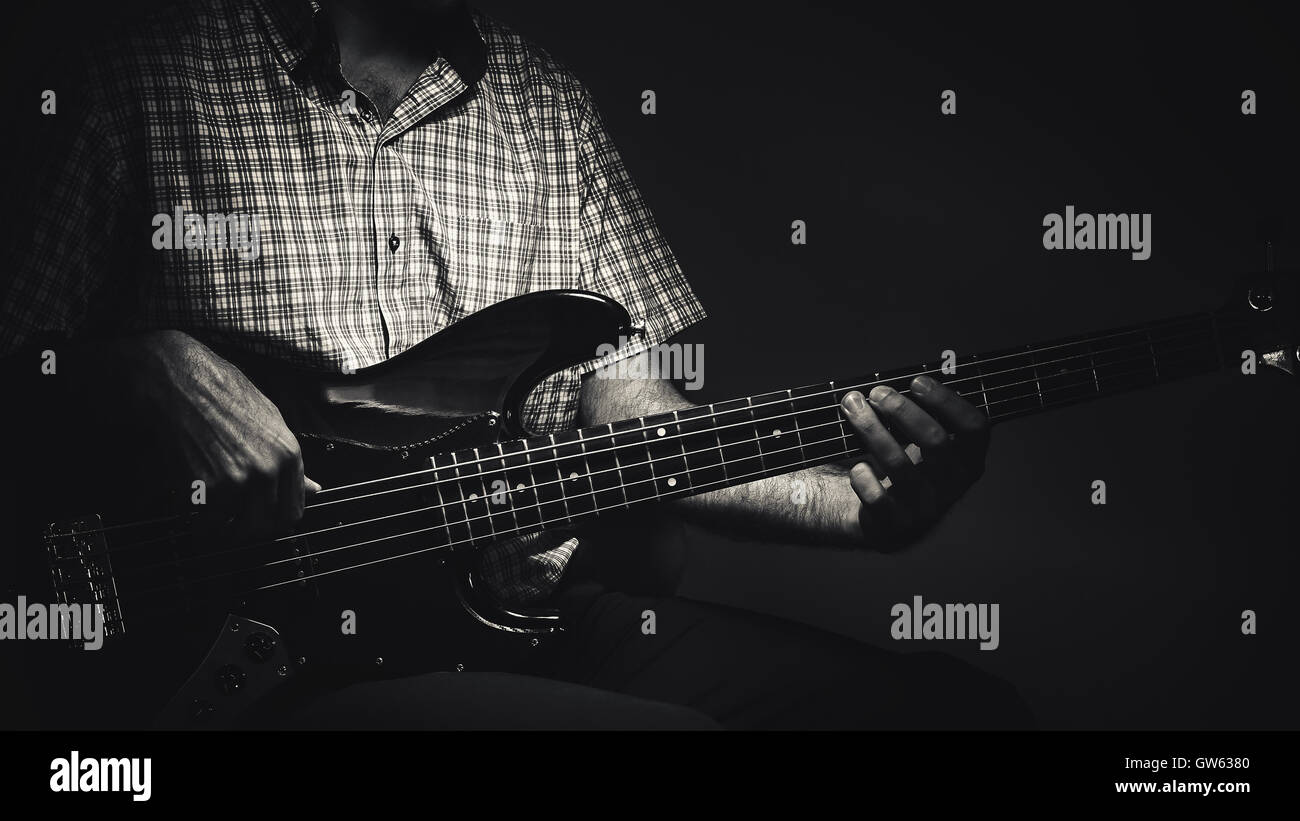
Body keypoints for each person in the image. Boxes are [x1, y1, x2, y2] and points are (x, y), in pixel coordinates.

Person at [0, 0, 1033, 729]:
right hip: (246, 643)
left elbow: (626, 406)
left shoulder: (548, 107)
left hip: (510, 606)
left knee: (950, 713)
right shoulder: (142, 68)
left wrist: (859, 506)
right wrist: (140, 365)